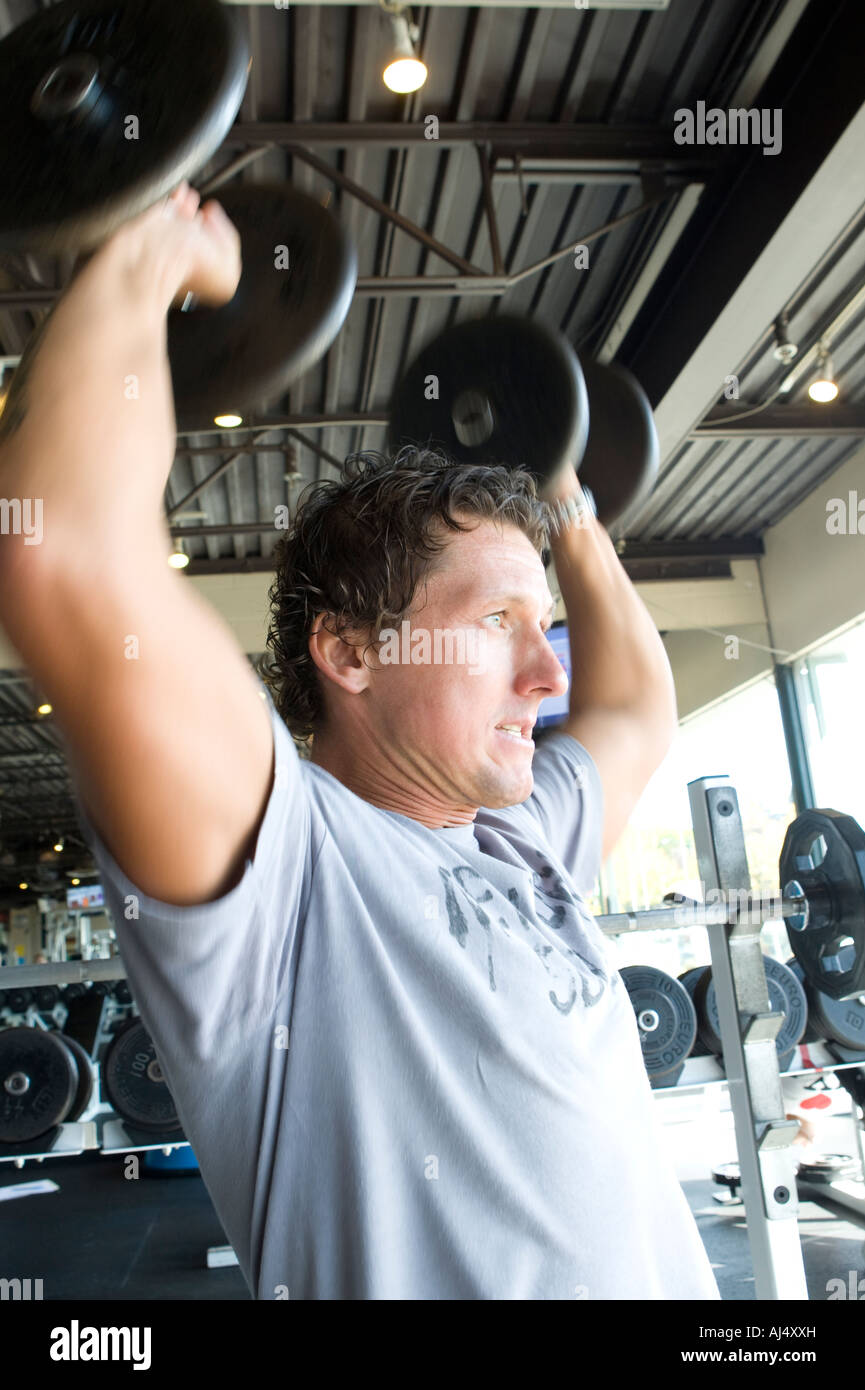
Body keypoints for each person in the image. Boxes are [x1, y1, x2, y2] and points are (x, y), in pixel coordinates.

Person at [0, 183, 719, 1301]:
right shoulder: (288, 866)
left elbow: (634, 712)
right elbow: (68, 552)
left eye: (547, 627)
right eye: (495, 626)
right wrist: (144, 259)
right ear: (349, 652)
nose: (547, 673)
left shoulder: (524, 840)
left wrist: (561, 495)